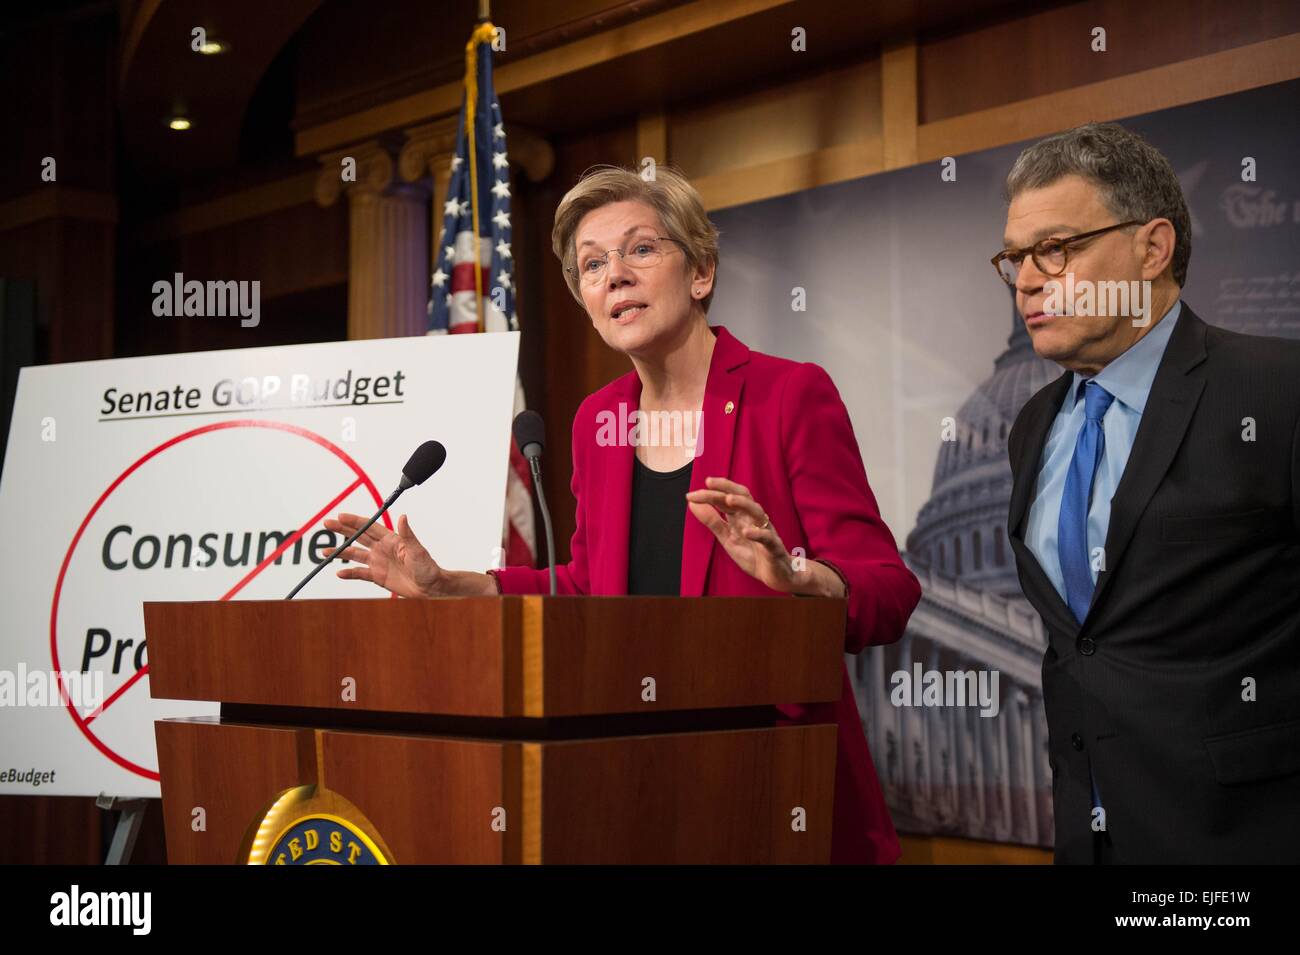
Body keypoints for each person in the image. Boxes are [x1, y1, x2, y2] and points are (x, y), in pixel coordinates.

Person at [328, 164, 921, 864]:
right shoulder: (596, 422)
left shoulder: (786, 396)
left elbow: (888, 587)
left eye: (640, 249)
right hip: (631, 783)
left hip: (771, 783)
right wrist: (452, 584)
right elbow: (586, 588)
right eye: (592, 264)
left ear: (700, 271)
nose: (614, 275)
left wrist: (796, 573)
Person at [997, 122, 1300, 863]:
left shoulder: (1279, 390)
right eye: (1014, 259)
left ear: (1152, 247)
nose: (1028, 280)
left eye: (1056, 250)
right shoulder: (1032, 425)